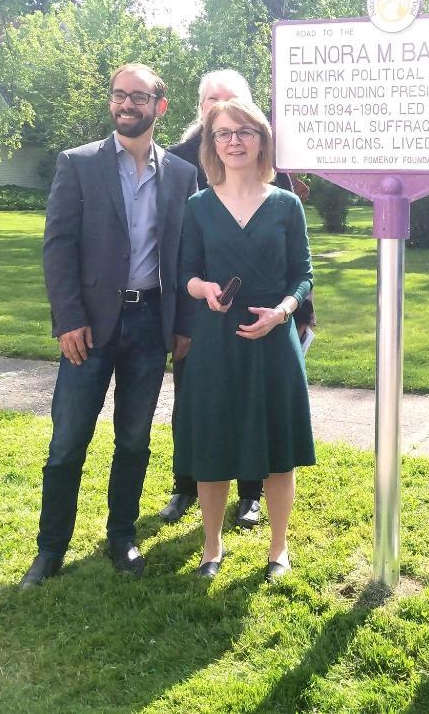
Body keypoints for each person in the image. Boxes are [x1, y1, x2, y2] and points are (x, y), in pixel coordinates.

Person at [20, 63, 197, 588]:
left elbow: (185, 256)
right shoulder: (78, 165)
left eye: (138, 97)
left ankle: (122, 535)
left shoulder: (182, 176)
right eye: (119, 95)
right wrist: (68, 318)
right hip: (89, 328)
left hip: (149, 324)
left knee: (135, 439)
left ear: (159, 107)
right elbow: (58, 246)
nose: (126, 105)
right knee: (68, 439)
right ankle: (51, 549)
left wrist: (181, 324)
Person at [158, 69, 316, 529]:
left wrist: (293, 313)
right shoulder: (182, 171)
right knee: (203, 416)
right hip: (206, 326)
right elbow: (181, 261)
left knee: (264, 418)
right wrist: (190, 305)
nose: (231, 138)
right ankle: (187, 490)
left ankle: (253, 501)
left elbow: (298, 266)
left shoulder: (282, 192)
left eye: (240, 125)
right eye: (211, 102)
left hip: (269, 323)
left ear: (258, 130)